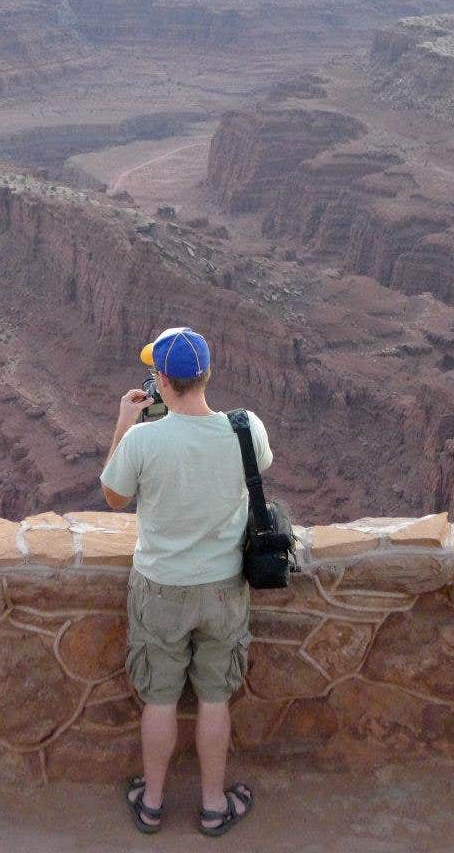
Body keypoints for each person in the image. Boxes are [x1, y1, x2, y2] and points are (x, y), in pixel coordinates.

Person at [99, 326, 273, 837]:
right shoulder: (247, 428)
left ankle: (152, 804)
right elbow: (256, 471)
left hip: (159, 588)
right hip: (224, 585)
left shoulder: (143, 439)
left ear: (160, 378)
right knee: (214, 697)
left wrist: (124, 422)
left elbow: (113, 497)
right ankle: (214, 805)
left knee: (160, 697)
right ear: (207, 374)